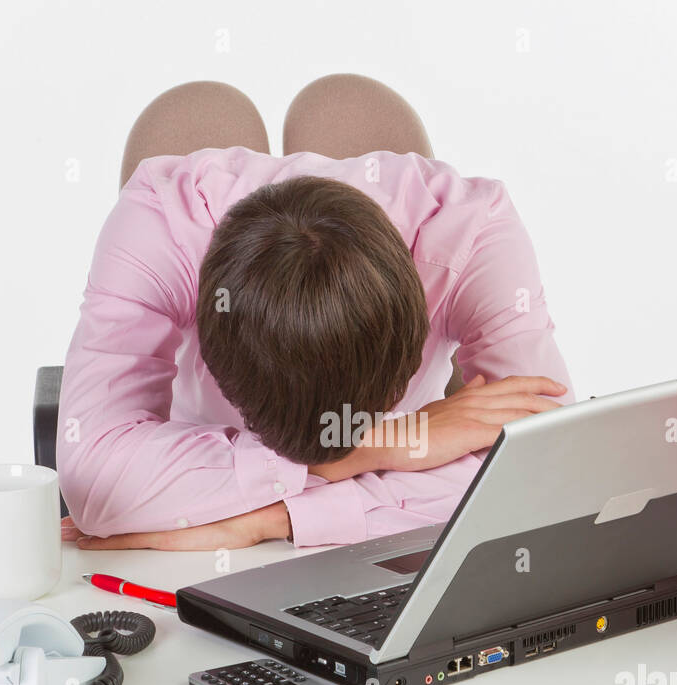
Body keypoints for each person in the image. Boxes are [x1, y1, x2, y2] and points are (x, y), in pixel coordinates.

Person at [59, 74, 573, 552]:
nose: (336, 451)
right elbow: (95, 484)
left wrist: (273, 519)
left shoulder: (473, 229)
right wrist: (378, 446)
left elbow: (554, 469)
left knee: (342, 101)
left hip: (218, 494)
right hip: (350, 478)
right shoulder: (160, 221)